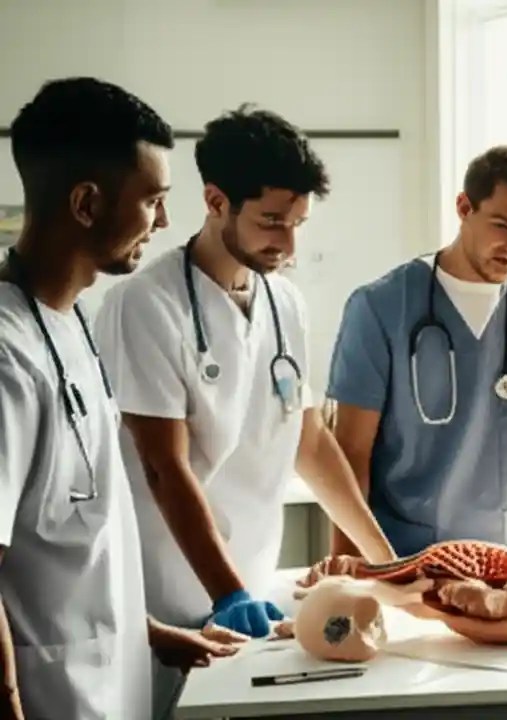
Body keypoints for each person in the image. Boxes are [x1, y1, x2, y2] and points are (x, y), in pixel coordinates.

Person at [92, 106, 397, 714]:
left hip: (255, 583)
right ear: (215, 200)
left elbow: (308, 441)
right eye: (271, 222)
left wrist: (386, 560)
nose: (286, 243)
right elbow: (162, 467)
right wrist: (226, 591)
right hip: (174, 593)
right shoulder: (146, 306)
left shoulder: (285, 300)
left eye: (297, 224)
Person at [0, 77, 244, 720]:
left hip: (111, 686)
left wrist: (150, 633)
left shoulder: (74, 320)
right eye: (153, 201)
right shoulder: (6, 356)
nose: (163, 222)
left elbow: (72, 539)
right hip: (50, 699)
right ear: (86, 203)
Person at [323, 145, 507, 567]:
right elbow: (351, 450)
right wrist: (347, 565)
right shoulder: (380, 306)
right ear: (464, 207)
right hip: (406, 557)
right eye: (502, 225)